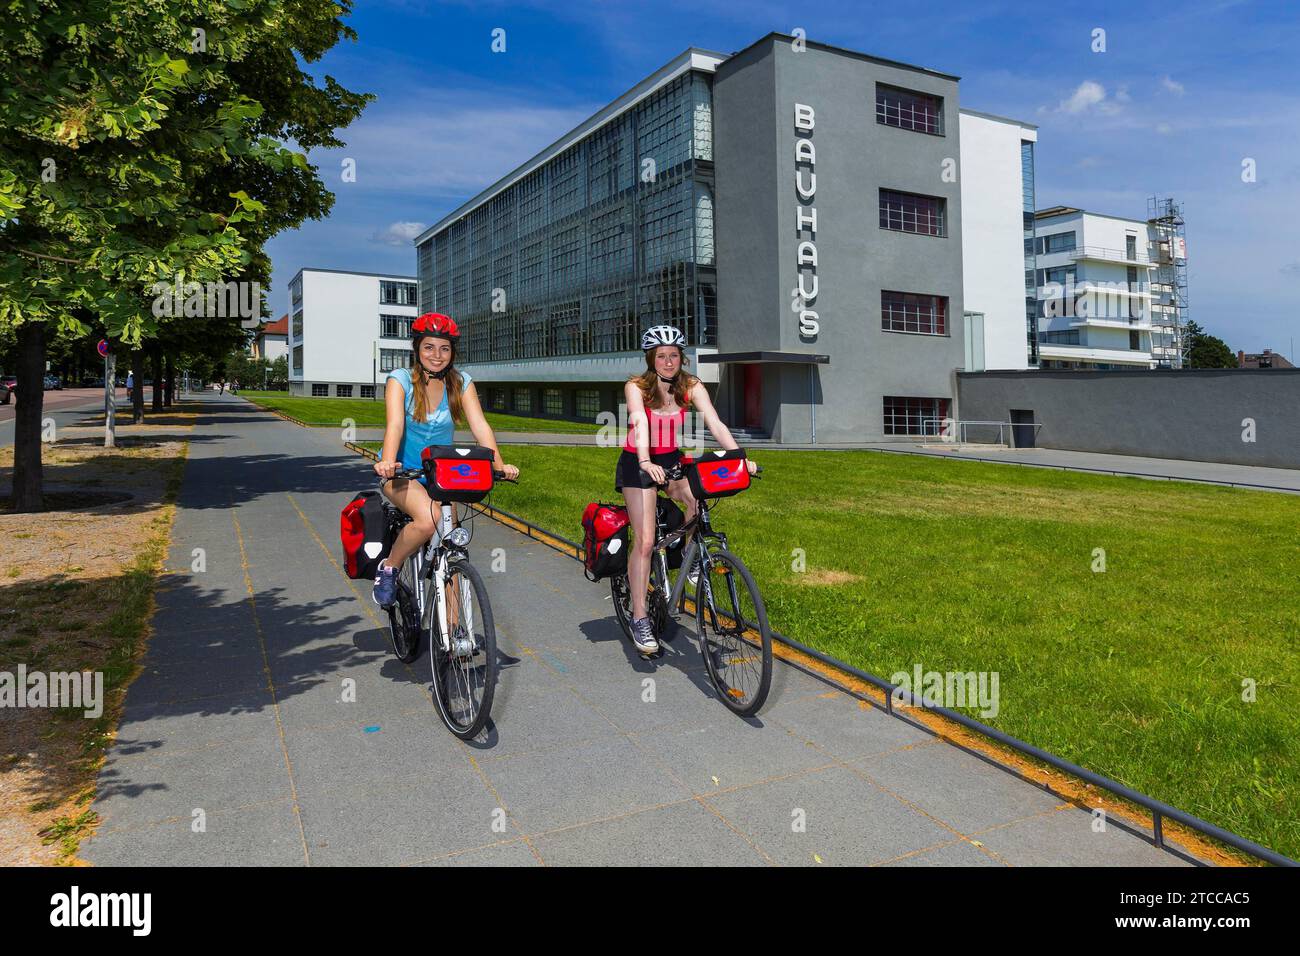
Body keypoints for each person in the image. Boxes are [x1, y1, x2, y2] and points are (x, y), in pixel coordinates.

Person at [618, 325, 757, 655]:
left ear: (683, 358)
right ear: (651, 359)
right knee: (647, 540)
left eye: (674, 356)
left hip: (672, 460)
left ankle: (693, 559)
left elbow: (715, 422)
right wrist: (646, 460)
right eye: (661, 356)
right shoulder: (636, 387)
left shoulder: (690, 386)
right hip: (638, 463)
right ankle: (640, 618)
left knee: (698, 503)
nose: (668, 362)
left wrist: (741, 459)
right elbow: (638, 423)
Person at [372, 312, 519, 607]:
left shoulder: (461, 383)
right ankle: (389, 568)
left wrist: (498, 465)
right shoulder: (400, 380)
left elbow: (480, 426)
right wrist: (388, 462)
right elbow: (396, 425)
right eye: (429, 347)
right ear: (417, 349)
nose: (436, 355)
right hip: (403, 473)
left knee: (453, 549)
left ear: (452, 352)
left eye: (444, 348)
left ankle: (454, 640)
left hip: (442, 476)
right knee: (430, 520)